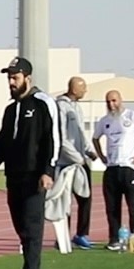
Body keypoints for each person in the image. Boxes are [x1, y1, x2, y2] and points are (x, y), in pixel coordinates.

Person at [0, 56, 58, 269]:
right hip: (14, 177)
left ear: (27, 78)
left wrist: (48, 171)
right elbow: (2, 142)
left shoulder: (43, 103)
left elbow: (53, 138)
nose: (11, 82)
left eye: (15, 77)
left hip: (35, 177)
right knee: (21, 227)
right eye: (9, 78)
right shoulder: (11, 110)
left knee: (32, 227)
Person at [92, 90, 134, 249]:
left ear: (120, 100)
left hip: (130, 168)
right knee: (112, 207)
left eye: (114, 101)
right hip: (112, 168)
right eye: (108, 101)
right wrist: (101, 156)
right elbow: (95, 138)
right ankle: (114, 239)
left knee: (133, 206)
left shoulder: (133, 116)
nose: (111, 104)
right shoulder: (104, 121)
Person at [55, 77, 96, 248]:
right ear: (74, 88)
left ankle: (81, 234)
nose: (85, 90)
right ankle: (62, 237)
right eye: (82, 87)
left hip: (80, 161)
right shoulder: (61, 106)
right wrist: (76, 157)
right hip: (66, 163)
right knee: (65, 202)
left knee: (85, 197)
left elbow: (80, 133)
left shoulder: (77, 107)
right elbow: (62, 138)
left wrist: (88, 150)